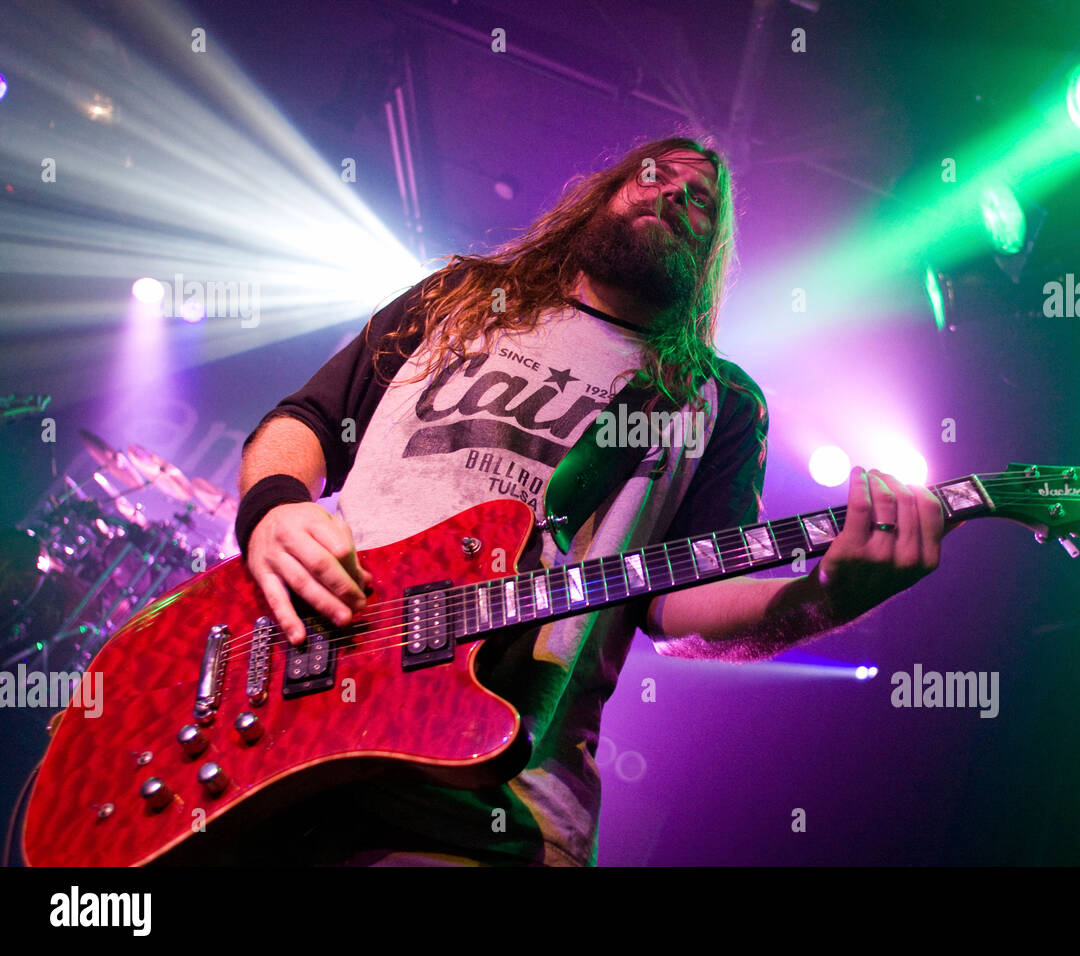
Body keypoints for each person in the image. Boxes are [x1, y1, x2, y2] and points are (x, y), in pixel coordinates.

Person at [234, 134, 949, 866]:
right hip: (281, 713)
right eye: (653, 176)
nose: (672, 193)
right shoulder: (459, 297)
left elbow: (678, 611)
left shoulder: (718, 401)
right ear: (603, 191)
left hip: (486, 799)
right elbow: (308, 422)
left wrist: (825, 597)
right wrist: (276, 507)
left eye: (699, 201)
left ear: (709, 258)